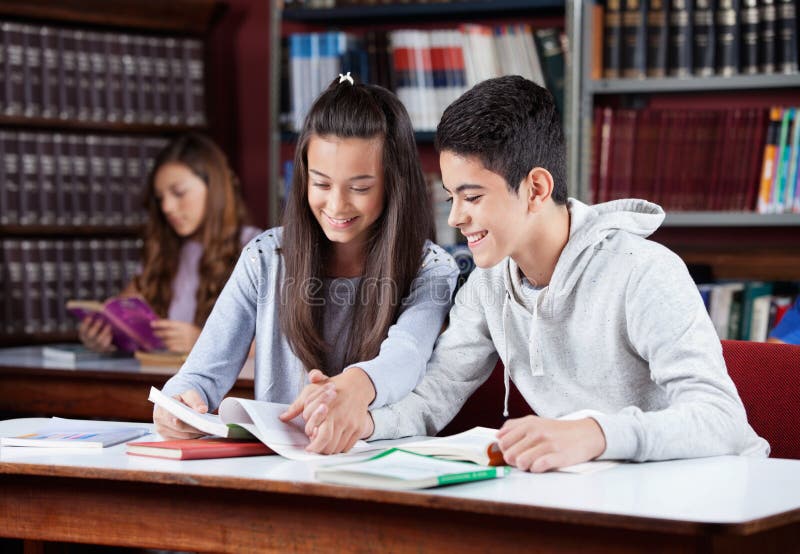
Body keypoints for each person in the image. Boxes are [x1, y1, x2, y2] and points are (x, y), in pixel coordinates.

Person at [304, 75, 769, 468]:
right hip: (607, 499)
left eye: (473, 196)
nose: (454, 218)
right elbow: (435, 394)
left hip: (718, 501)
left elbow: (721, 419)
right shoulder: (487, 284)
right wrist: (364, 423)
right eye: (451, 197)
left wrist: (593, 434)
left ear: (536, 188)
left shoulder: (645, 273)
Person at [153, 75, 459, 452]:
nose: (336, 205)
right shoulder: (265, 257)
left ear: (394, 184)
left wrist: (347, 389)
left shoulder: (431, 269)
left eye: (360, 188)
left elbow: (407, 355)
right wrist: (178, 403)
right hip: (279, 468)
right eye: (321, 183)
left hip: (382, 467)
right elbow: (201, 372)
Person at [78, 133, 261, 354]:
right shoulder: (164, 253)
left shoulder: (256, 249)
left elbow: (280, 346)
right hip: (162, 384)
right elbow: (120, 315)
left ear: (214, 188)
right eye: (160, 198)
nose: (167, 208)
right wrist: (104, 337)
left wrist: (202, 341)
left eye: (178, 192)